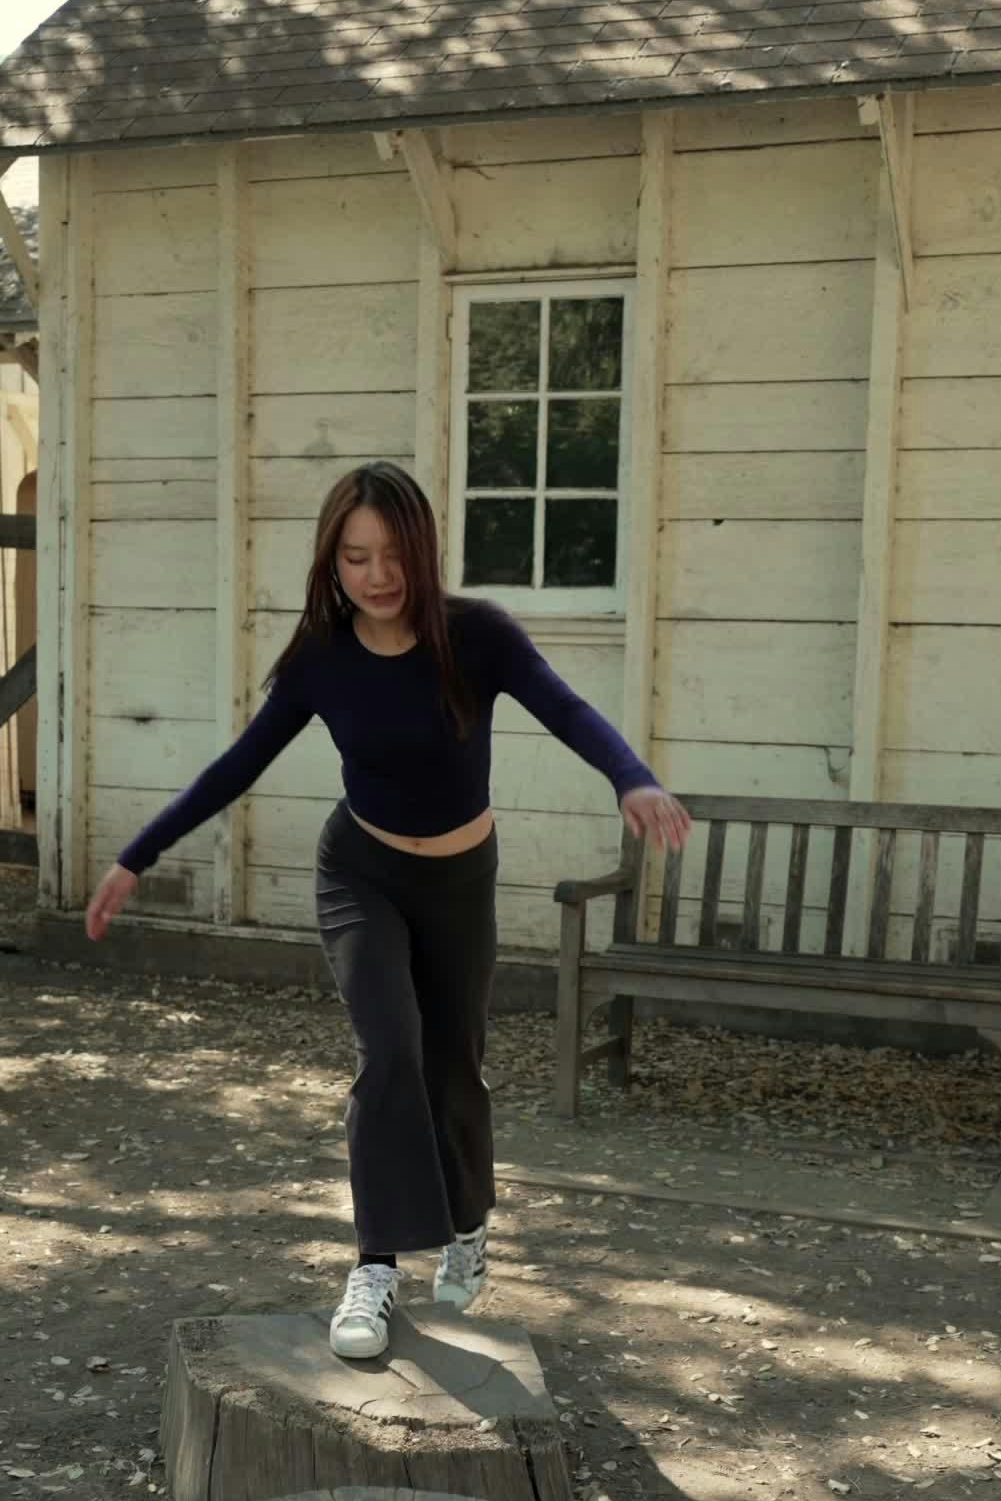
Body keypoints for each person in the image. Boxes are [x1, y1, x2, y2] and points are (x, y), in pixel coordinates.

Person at [86, 462, 690, 1359]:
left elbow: (565, 708)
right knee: (390, 1051)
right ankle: (374, 1265)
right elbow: (238, 766)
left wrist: (631, 776)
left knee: (455, 1066)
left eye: (392, 554)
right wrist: (137, 855)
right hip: (359, 873)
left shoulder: (474, 637)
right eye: (355, 557)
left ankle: (468, 1225)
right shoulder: (320, 660)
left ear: (421, 550)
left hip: (458, 882)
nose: (376, 576)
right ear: (332, 562)